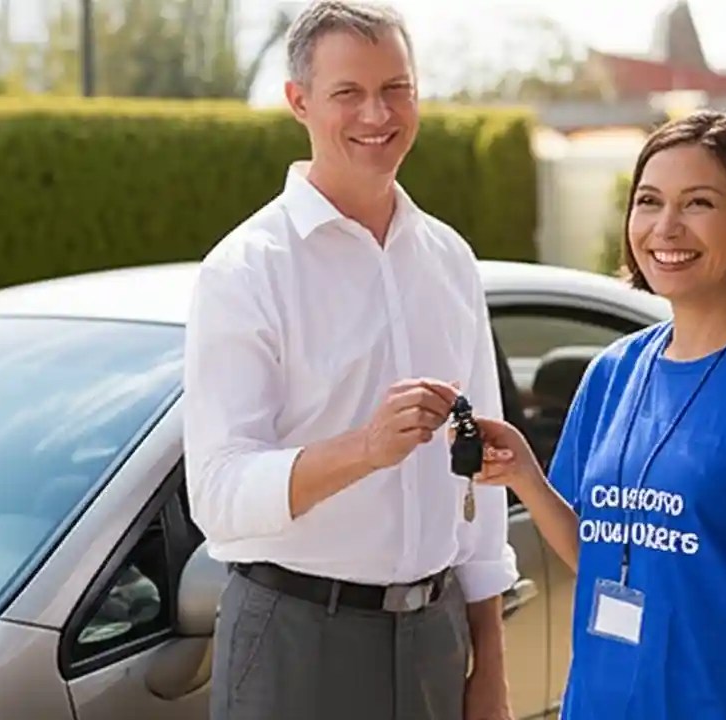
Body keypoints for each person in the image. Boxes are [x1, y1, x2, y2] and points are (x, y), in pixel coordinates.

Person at [463, 111, 726, 720]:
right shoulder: (614, 372)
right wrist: (525, 473)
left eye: (698, 203)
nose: (666, 227)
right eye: (648, 201)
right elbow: (601, 551)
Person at [182, 2, 516, 719]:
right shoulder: (245, 270)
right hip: (292, 641)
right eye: (349, 93)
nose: (378, 113)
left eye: (397, 87)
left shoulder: (450, 260)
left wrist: (489, 665)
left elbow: (478, 479)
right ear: (299, 102)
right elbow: (216, 493)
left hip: (436, 637)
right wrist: (363, 450)